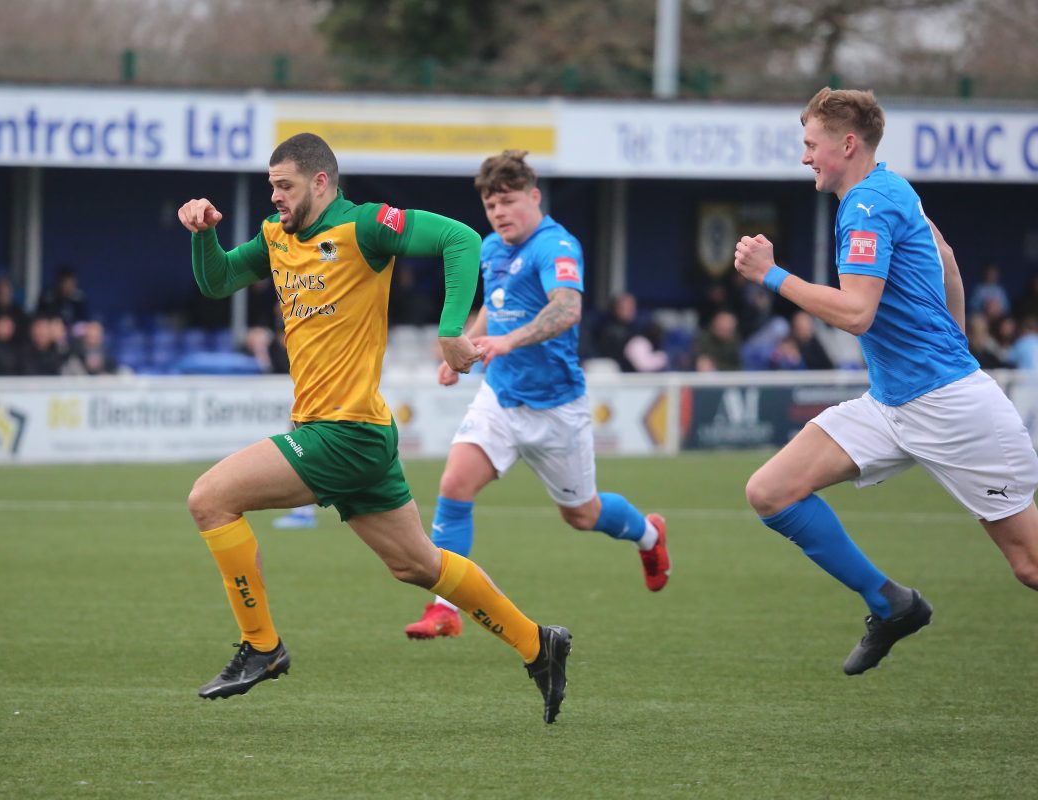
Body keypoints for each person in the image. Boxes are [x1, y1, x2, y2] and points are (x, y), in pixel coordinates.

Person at [178, 133, 572, 723]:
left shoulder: (366, 227)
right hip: (359, 432)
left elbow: (460, 239)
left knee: (210, 499)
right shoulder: (275, 237)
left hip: (343, 433)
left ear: (320, 182)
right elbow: (217, 282)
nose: (275, 198)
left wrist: (449, 328)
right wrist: (204, 234)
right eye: (271, 187)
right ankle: (538, 644)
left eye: (284, 186)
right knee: (417, 565)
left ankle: (262, 646)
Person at [733, 87, 1038, 676]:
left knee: (1029, 567)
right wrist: (956, 337)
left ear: (846, 144)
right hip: (894, 404)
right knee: (770, 491)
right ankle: (891, 604)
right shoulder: (893, 186)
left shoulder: (867, 204)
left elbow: (855, 313)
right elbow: (945, 256)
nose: (805, 158)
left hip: (952, 410)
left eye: (811, 145)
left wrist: (770, 275)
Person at [403, 150, 670, 640]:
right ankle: (444, 609)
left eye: (507, 202)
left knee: (581, 514)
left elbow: (566, 309)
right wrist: (461, 351)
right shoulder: (490, 248)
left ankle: (650, 534)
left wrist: (508, 341)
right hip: (501, 398)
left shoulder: (557, 246)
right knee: (453, 485)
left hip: (555, 409)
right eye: (490, 205)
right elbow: (493, 304)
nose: (499, 213)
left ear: (534, 197)